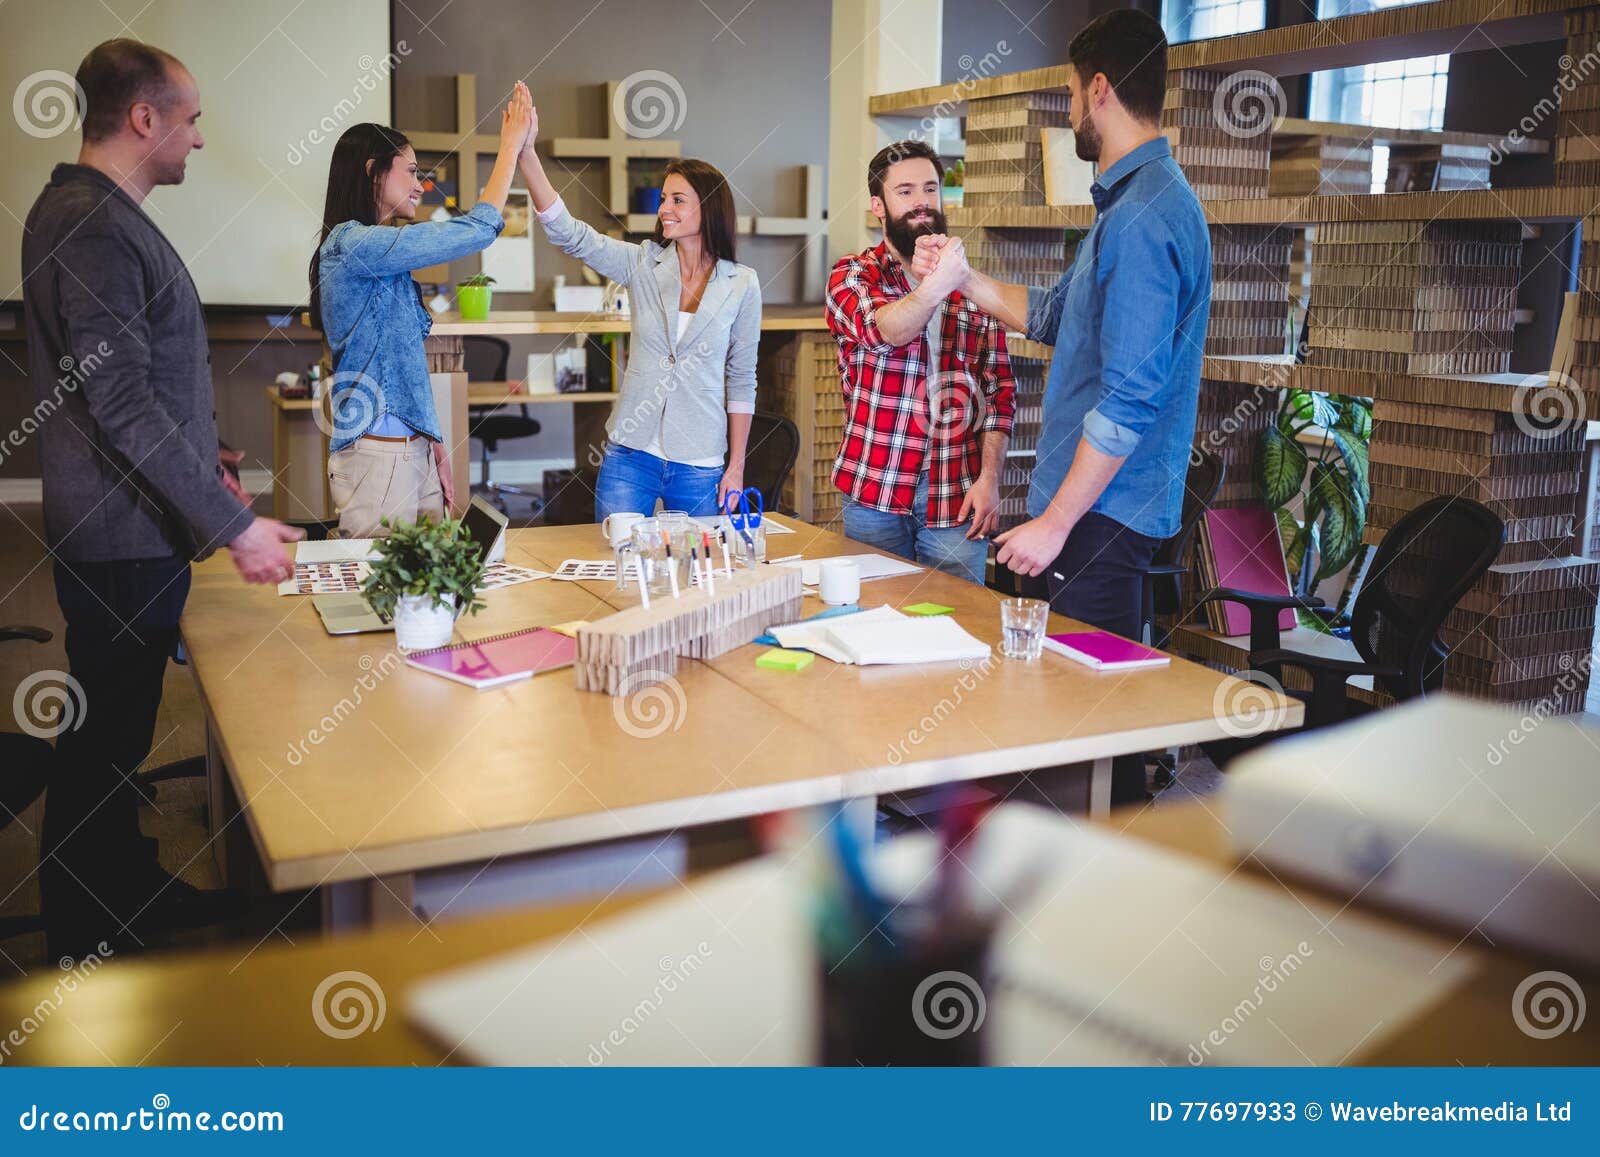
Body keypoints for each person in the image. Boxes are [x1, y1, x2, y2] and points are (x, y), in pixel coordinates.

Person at [21, 39, 306, 956]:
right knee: (103, 739)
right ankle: (82, 935)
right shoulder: (91, 222)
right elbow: (122, 402)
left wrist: (206, 451)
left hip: (125, 524)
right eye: (190, 120)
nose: (199, 140)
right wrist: (235, 525)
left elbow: (132, 388)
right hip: (119, 536)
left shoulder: (92, 211)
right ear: (142, 119)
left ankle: (122, 886)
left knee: (117, 734)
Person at [916, 10, 1211, 801]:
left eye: (1071, 94)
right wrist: (964, 281)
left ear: (1102, 91)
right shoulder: (1126, 204)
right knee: (1076, 732)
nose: (1069, 111)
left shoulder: (1146, 218)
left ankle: (1100, 890)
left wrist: (1055, 523)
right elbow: (1055, 318)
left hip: (1100, 521)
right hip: (1093, 514)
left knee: (1087, 739)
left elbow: (1132, 395)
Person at [515, 95, 761, 519]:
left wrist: (736, 467)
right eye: (664, 198)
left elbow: (742, 380)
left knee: (702, 580)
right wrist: (527, 155)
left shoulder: (742, 283)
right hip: (631, 455)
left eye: (677, 200)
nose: (664, 209)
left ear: (709, 206)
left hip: (700, 460)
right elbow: (571, 234)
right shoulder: (643, 262)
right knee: (618, 570)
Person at [310, 84, 531, 537]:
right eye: (410, 172)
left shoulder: (385, 258)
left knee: (431, 595)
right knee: (379, 598)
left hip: (411, 451)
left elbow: (404, 363)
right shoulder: (351, 245)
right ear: (373, 172)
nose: (420, 184)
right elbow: (474, 231)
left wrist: (433, 446)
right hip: (377, 457)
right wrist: (509, 147)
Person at [825, 140, 1014, 585]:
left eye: (931, 188)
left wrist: (990, 478)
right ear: (878, 204)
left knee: (958, 622)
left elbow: (1000, 391)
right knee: (873, 620)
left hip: (957, 492)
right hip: (875, 489)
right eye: (905, 191)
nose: (922, 202)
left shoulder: (973, 286)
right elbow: (888, 330)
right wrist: (939, 284)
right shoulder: (853, 275)